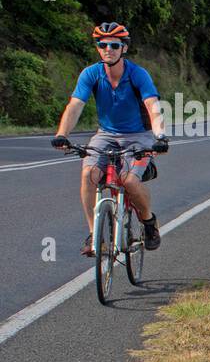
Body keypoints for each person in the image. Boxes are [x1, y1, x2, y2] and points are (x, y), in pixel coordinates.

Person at [51, 22, 168, 256]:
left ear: (124, 48)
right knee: (88, 174)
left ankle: (148, 223)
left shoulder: (137, 74)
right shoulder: (91, 74)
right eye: (102, 44)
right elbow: (75, 106)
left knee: (130, 181)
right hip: (105, 134)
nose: (108, 49)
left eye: (115, 45)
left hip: (138, 135)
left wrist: (160, 136)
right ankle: (95, 236)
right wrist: (62, 134)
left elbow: (153, 106)